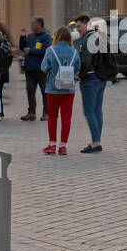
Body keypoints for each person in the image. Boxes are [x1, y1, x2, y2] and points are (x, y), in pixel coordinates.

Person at [74, 14, 113, 152]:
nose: (77, 29)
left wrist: (79, 75)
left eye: (79, 26)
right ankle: (97, 140)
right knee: (97, 111)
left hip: (90, 80)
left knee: (89, 111)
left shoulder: (86, 40)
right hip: (101, 79)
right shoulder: (100, 37)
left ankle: (96, 143)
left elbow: (86, 61)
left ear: (86, 24)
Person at [41, 25, 81, 155]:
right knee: (66, 118)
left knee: (52, 116)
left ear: (56, 37)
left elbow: (44, 67)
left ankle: (52, 144)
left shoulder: (50, 50)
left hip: (53, 88)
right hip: (69, 89)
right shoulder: (74, 51)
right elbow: (77, 68)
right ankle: (63, 146)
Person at [19, 16, 52, 121]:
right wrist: (22, 37)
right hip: (30, 70)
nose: (31, 25)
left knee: (45, 92)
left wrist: (31, 51)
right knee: (30, 91)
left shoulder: (46, 36)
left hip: (42, 70)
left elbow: (45, 50)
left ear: (39, 24)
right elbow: (22, 47)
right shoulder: (30, 36)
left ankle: (46, 113)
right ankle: (31, 113)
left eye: (33, 23)